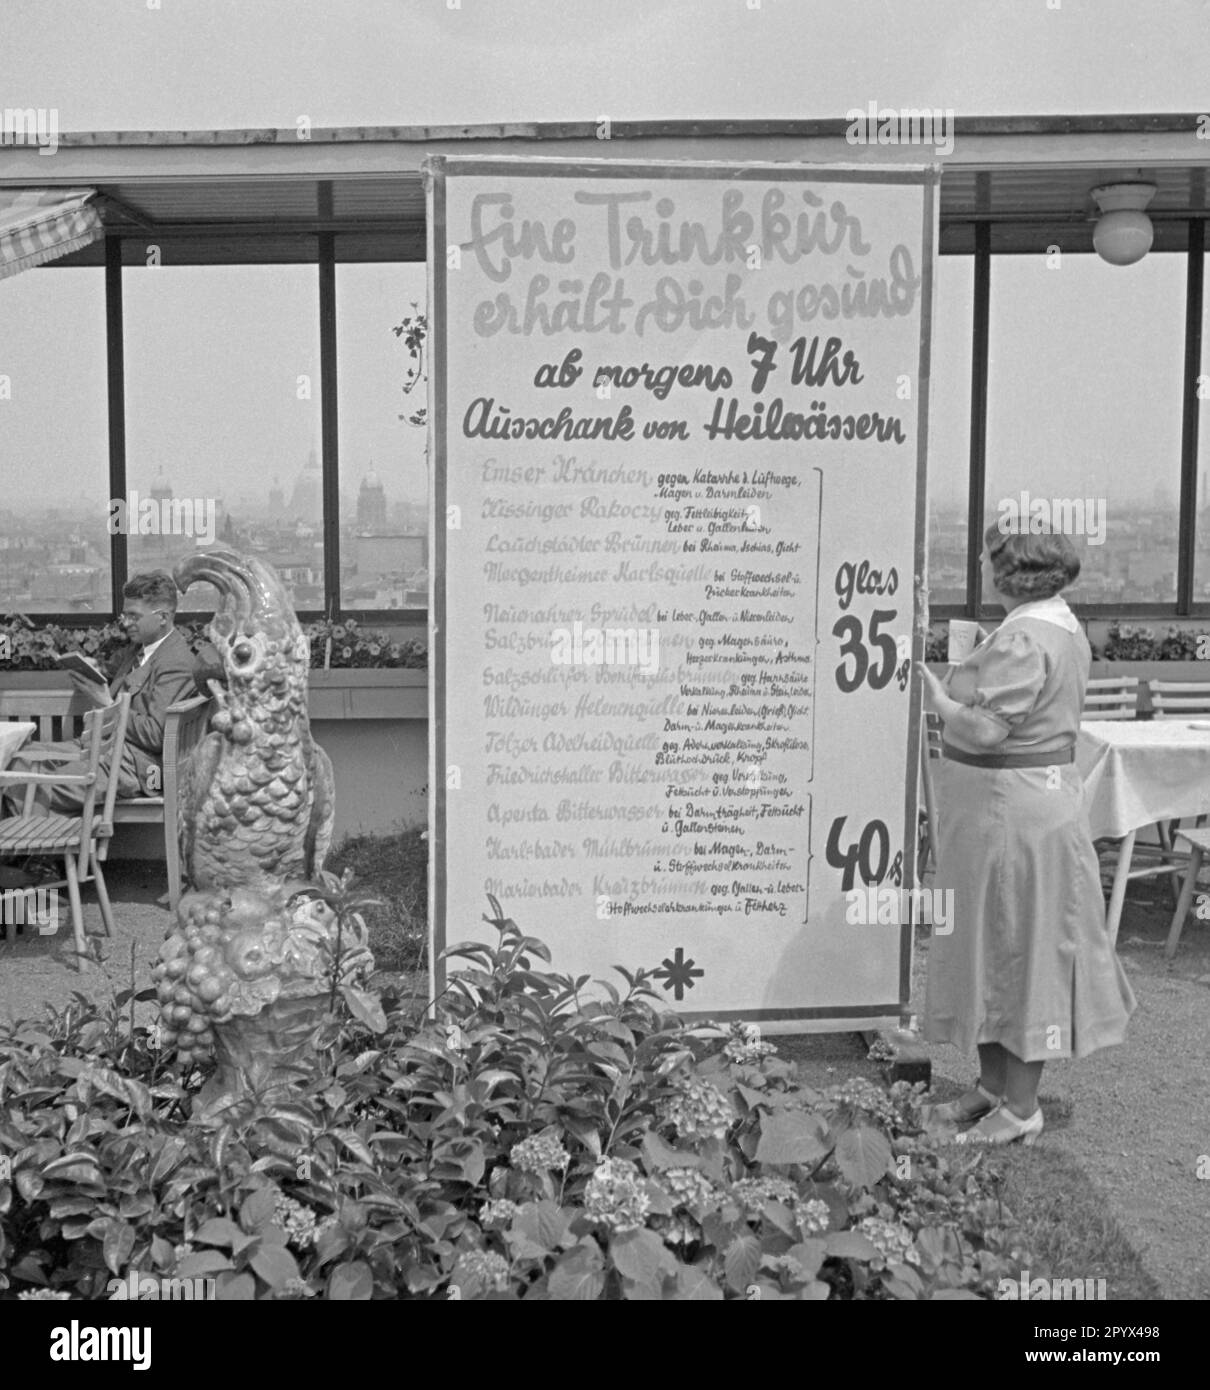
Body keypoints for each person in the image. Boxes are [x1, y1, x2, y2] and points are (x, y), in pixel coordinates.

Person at [919, 523, 1136, 1145]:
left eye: (991, 562)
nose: (984, 571)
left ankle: (1020, 1106)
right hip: (1015, 812)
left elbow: (987, 730)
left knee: (1018, 950)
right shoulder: (1061, 625)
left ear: (1009, 574)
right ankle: (992, 1088)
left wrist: (941, 701)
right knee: (995, 943)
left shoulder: (1025, 636)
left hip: (1013, 817)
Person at [4, 571, 215, 821]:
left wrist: (106, 703)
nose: (125, 623)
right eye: (125, 615)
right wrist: (93, 668)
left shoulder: (175, 663)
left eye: (134, 616)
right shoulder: (141, 650)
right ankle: (41, 853)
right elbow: (123, 678)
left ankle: (36, 855)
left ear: (163, 618)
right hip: (107, 751)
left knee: (28, 784)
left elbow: (157, 735)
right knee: (17, 762)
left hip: (141, 769)